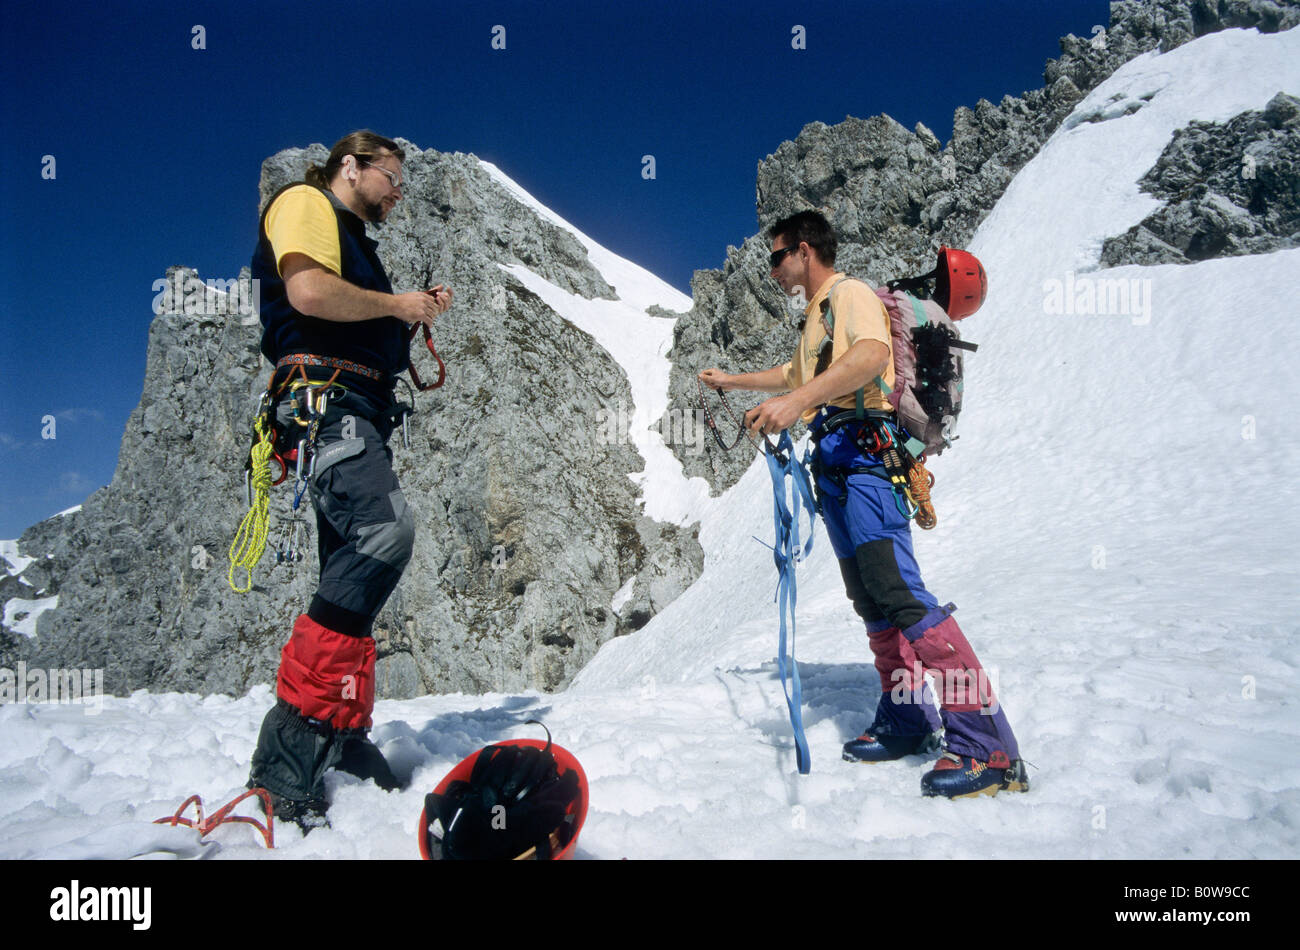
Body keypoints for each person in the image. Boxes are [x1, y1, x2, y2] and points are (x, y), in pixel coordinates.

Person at [698, 210, 1027, 799]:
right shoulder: (818, 317)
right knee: (871, 598)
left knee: (898, 592)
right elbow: (793, 372)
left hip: (869, 464)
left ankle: (988, 746)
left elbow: (873, 355)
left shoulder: (847, 294)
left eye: (777, 258)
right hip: (843, 466)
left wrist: (798, 401)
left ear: (803, 251)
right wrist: (734, 383)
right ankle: (907, 719)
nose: (772, 270)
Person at [245, 130, 453, 827]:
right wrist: (398, 307)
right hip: (327, 403)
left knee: (348, 570)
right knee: (383, 530)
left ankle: (336, 733)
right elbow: (306, 291)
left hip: (349, 407)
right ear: (352, 167)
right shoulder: (305, 203)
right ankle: (288, 753)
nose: (397, 193)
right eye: (391, 178)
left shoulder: (358, 242)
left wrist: (408, 309)